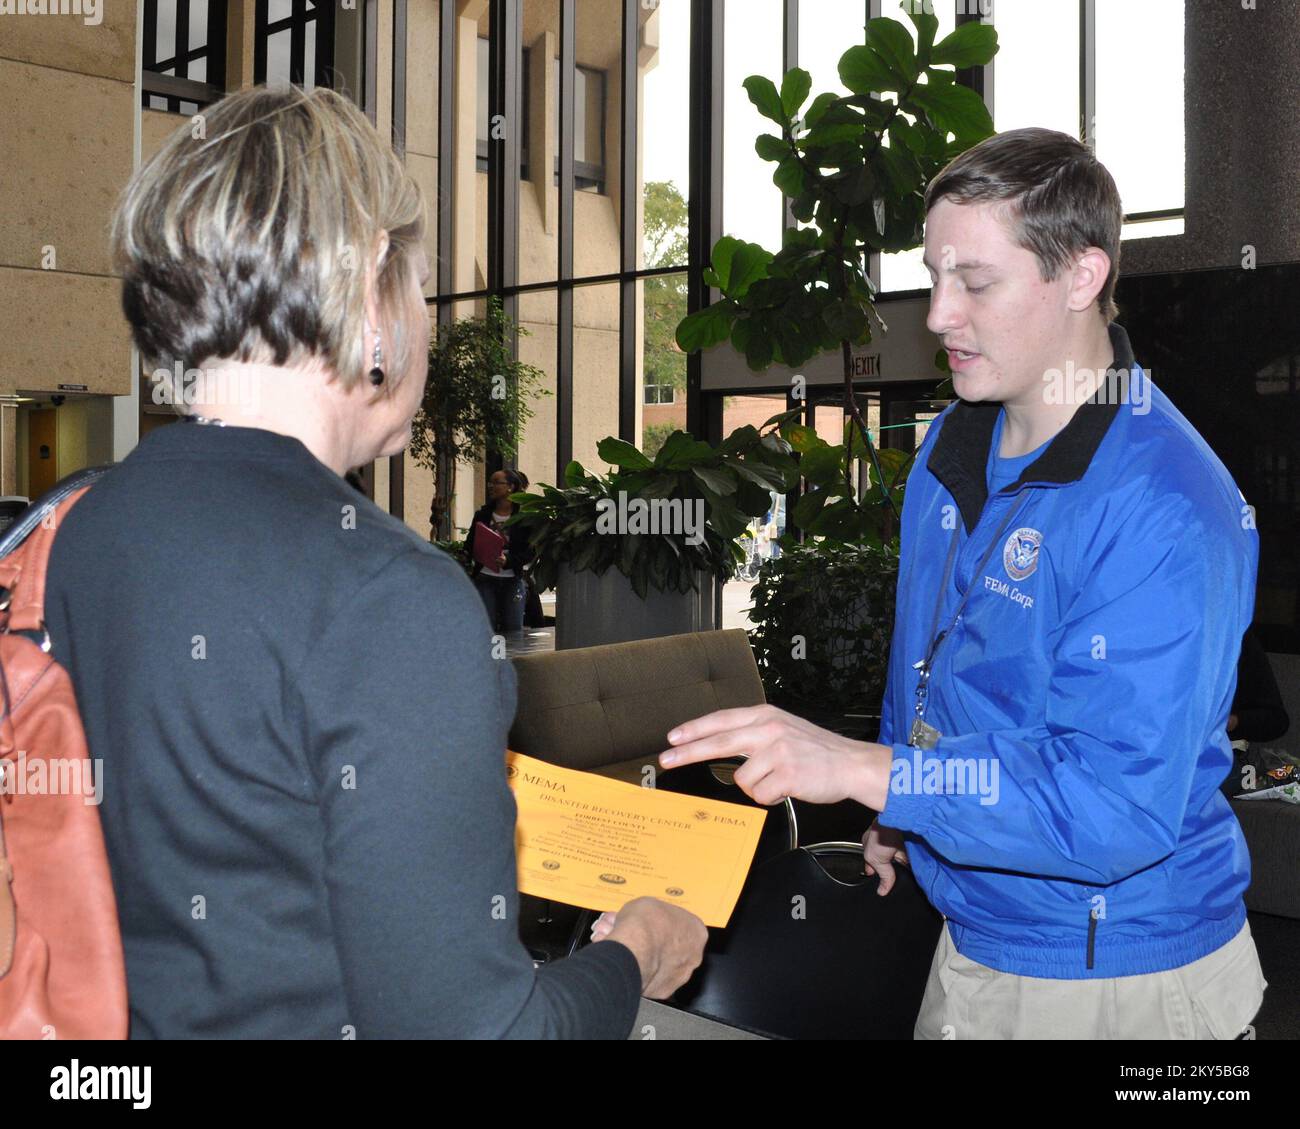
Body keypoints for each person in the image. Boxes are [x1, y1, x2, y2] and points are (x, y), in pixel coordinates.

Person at [43, 85, 704, 1039]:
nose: (427, 321)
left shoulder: (70, 526)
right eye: (422, 290)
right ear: (370, 296)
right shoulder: (390, 597)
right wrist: (635, 952)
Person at [659, 127, 1266, 1039]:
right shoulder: (952, 442)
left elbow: (1111, 804)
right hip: (972, 939)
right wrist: (903, 814)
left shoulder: (1167, 504)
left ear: (1082, 276)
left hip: (1119, 975)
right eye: (935, 276)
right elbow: (940, 663)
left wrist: (873, 771)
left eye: (975, 282)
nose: (938, 314)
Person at [469, 468, 533, 634]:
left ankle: (510, 660)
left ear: (510, 487)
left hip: (512, 580)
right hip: (485, 578)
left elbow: (530, 551)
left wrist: (508, 561)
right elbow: (469, 544)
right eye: (490, 482)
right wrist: (479, 552)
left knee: (513, 629)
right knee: (486, 629)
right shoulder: (482, 514)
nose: (491, 486)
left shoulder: (524, 516)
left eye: (496, 482)